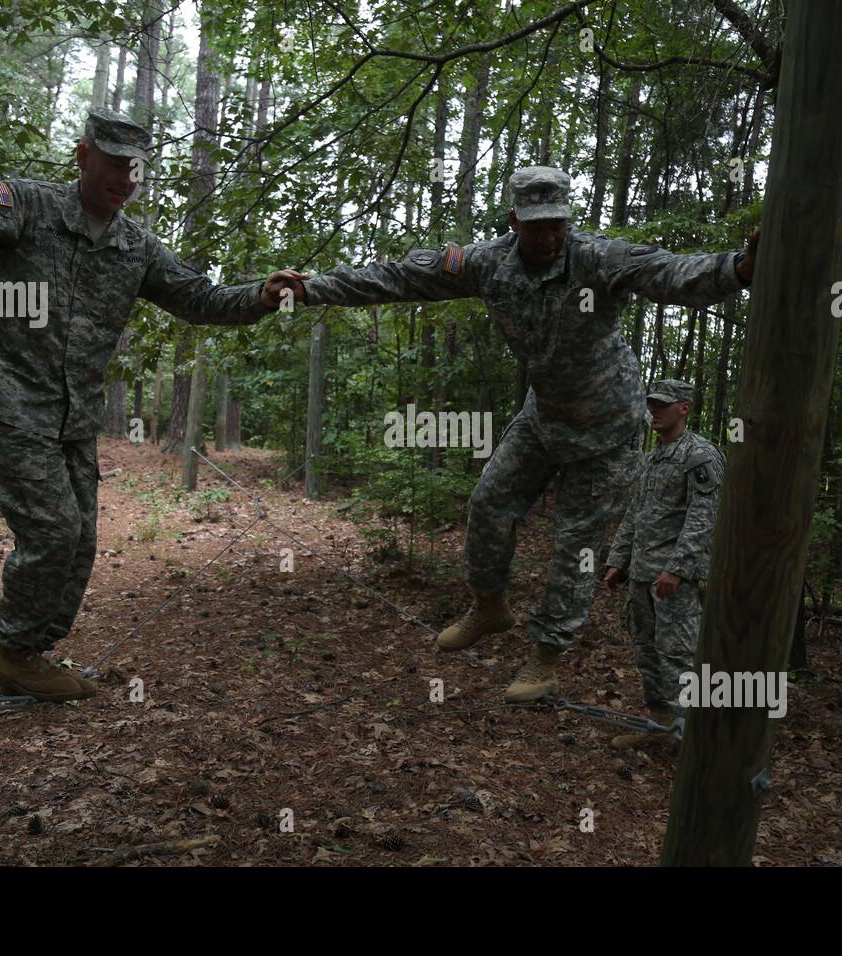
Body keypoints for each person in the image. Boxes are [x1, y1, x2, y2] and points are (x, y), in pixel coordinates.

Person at [265, 166, 756, 702]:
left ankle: (545, 659)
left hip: (607, 431)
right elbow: (398, 277)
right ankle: (489, 605)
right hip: (543, 417)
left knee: (575, 547)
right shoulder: (486, 263)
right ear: (514, 222)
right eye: (536, 227)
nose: (548, 238)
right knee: (489, 504)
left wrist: (739, 267)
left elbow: (671, 273)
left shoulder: (598, 258)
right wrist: (312, 289)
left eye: (557, 227)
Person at [0, 108, 290, 702]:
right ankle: (11, 651)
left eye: (136, 169)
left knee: (81, 539)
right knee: (54, 531)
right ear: (84, 156)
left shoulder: (135, 247)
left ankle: (28, 652)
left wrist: (263, 297)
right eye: (115, 164)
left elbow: (200, 298)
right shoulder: (27, 205)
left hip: (74, 417)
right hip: (9, 398)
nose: (126, 178)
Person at [602, 381, 724, 752]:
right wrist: (617, 561)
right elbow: (634, 514)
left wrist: (677, 569)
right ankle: (660, 727)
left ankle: (694, 740)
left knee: (678, 656)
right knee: (647, 653)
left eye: (663, 405)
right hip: (642, 576)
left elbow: (704, 518)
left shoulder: (699, 455)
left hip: (675, 581)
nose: (654, 411)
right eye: (651, 405)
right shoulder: (651, 459)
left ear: (684, 408)